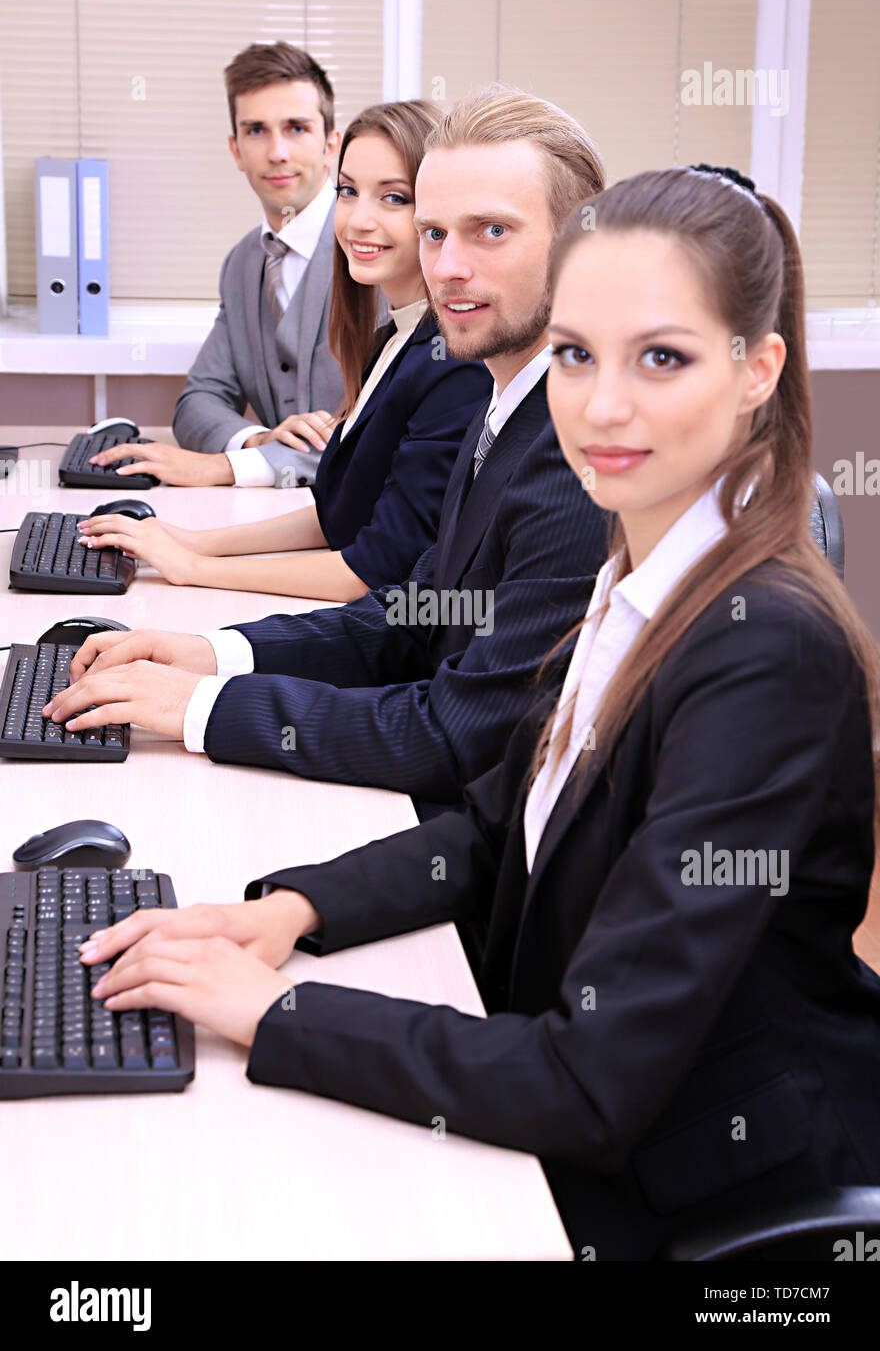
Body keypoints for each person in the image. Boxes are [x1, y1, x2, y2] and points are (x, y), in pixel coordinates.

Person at [78, 165, 880, 1260]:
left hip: (686, 1178)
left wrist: (274, 1015)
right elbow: (498, 825)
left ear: (756, 370)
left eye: (661, 357)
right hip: (562, 1076)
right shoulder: (635, 568)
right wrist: (292, 911)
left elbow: (589, 1079)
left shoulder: (762, 652)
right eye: (574, 354)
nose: (600, 406)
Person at [45, 86, 609, 812]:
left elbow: (451, 736)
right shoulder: (505, 404)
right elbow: (415, 614)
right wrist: (216, 655)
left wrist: (201, 708)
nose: (448, 268)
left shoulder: (577, 462)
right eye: (435, 233)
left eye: (491, 232)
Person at [76, 101, 491, 601]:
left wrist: (193, 568)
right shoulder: (394, 338)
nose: (359, 220)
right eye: (348, 191)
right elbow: (339, 511)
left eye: (393, 198)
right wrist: (194, 543)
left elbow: (376, 570)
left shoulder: (456, 361)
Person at [90, 41, 347, 489]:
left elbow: (397, 435)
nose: (277, 152)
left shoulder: (374, 248)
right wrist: (257, 441)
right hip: (272, 512)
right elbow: (198, 402)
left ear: (330, 144)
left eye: (296, 128)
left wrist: (222, 468)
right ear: (235, 150)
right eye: (256, 131)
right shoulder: (243, 264)